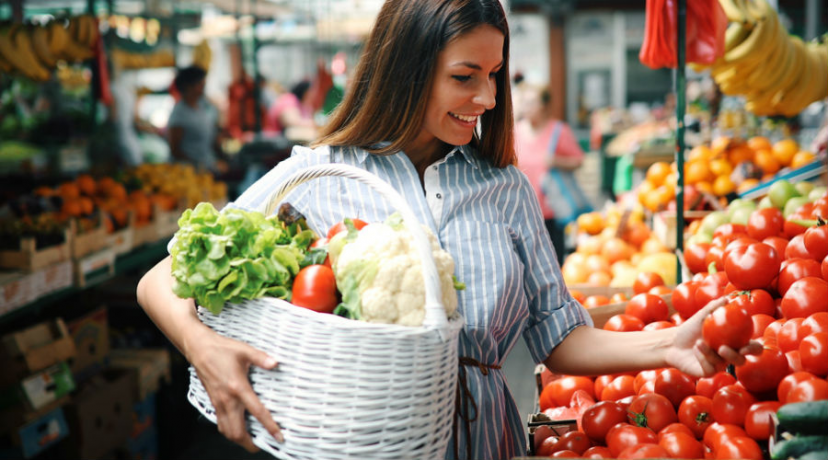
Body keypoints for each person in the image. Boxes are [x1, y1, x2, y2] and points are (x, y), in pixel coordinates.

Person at [136, 1, 761, 459]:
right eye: (466, 77)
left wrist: (668, 345)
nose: (488, 97)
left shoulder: (504, 186)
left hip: (491, 444)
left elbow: (559, 338)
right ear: (407, 71)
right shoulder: (319, 177)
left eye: (495, 75)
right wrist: (205, 350)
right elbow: (162, 279)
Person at [515, 84, 587, 263]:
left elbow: (578, 160)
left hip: (552, 211)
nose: (527, 107)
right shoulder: (514, 131)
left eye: (532, 102)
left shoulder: (558, 130)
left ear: (544, 106)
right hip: (522, 211)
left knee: (554, 261)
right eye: (524, 102)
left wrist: (556, 161)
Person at [167, 66, 223, 172]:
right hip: (188, 171)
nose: (203, 87)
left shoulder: (202, 105)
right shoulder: (179, 114)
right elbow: (175, 150)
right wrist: (195, 164)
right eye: (200, 84)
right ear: (188, 87)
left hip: (206, 166)